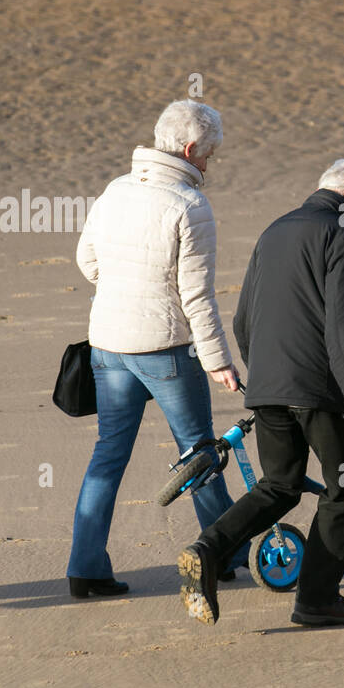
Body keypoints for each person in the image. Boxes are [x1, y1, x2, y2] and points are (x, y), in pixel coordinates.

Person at [178, 158, 344, 627]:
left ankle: (206, 550)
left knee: (280, 485)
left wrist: (266, 377)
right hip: (318, 389)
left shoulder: (275, 230)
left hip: (268, 385)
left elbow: (243, 320)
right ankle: (317, 599)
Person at [67, 100, 248, 598]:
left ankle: (85, 568)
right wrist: (219, 362)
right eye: (209, 155)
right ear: (190, 149)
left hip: (108, 343)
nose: (209, 164)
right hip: (166, 349)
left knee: (108, 454)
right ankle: (225, 552)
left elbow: (87, 260)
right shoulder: (191, 206)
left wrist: (125, 290)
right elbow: (196, 296)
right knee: (199, 452)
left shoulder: (115, 190)